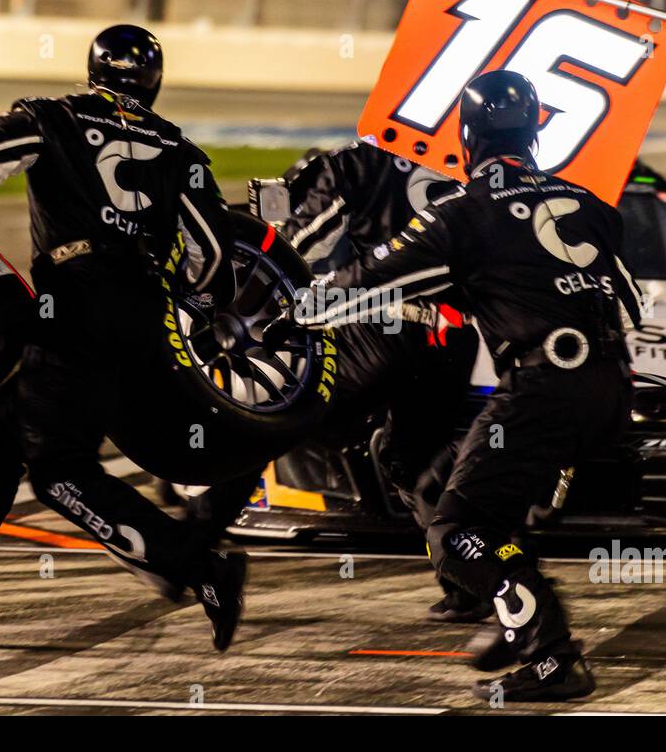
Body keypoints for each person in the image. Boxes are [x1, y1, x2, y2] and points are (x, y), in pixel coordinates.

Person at [0, 25, 247, 652]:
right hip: (146, 316)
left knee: (58, 472)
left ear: (91, 67)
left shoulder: (53, 117)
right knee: (6, 434)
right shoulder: (180, 148)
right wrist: (200, 307)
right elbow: (213, 253)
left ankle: (201, 566)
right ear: (154, 81)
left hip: (74, 305)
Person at [299, 70, 643, 702]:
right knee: (467, 499)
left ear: (466, 137)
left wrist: (290, 304)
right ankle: (521, 625)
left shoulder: (461, 215)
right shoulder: (591, 203)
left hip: (541, 393)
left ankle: (554, 656)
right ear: (536, 129)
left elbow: (359, 287)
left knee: (457, 533)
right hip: (611, 389)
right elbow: (635, 305)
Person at [186, 141, 487, 620]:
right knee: (415, 460)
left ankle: (190, 547)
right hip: (455, 337)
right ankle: (472, 579)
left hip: (384, 325)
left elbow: (299, 245)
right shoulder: (464, 174)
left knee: (276, 419)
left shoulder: (351, 162)